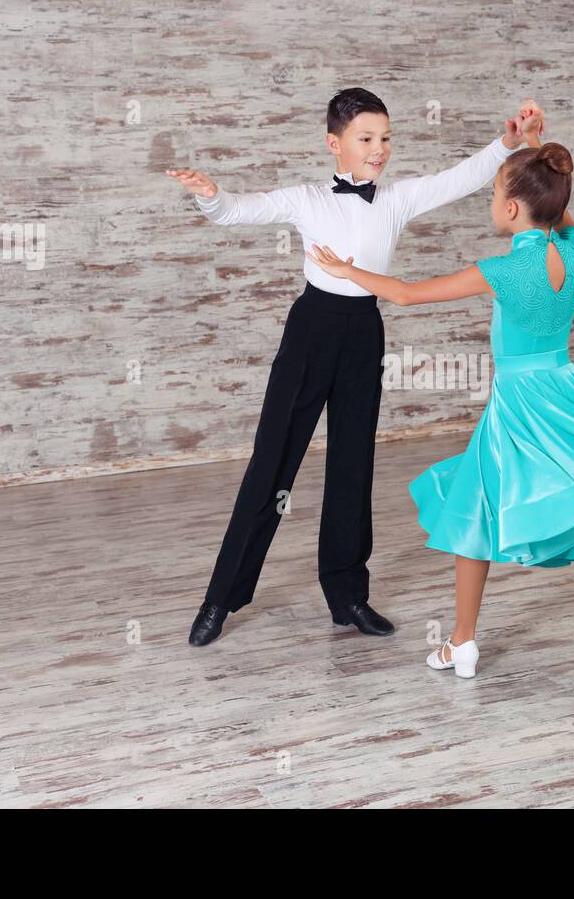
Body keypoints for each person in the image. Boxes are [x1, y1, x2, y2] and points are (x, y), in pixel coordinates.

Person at [305, 121, 574, 713]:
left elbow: (407, 294)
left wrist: (347, 271)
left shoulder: (506, 269)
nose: (490, 205)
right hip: (564, 389)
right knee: (490, 505)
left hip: (524, 405)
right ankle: (464, 642)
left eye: (494, 197)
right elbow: (560, 217)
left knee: (568, 521)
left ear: (513, 208)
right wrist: (536, 166)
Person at [167, 88, 544, 647]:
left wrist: (506, 143)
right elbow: (237, 211)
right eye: (366, 139)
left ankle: (347, 596)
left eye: (385, 138)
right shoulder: (308, 199)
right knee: (273, 461)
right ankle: (220, 599)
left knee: (353, 462)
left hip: (363, 329)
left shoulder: (394, 200)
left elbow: (457, 179)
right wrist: (210, 194)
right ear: (334, 144)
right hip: (311, 331)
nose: (379, 149)